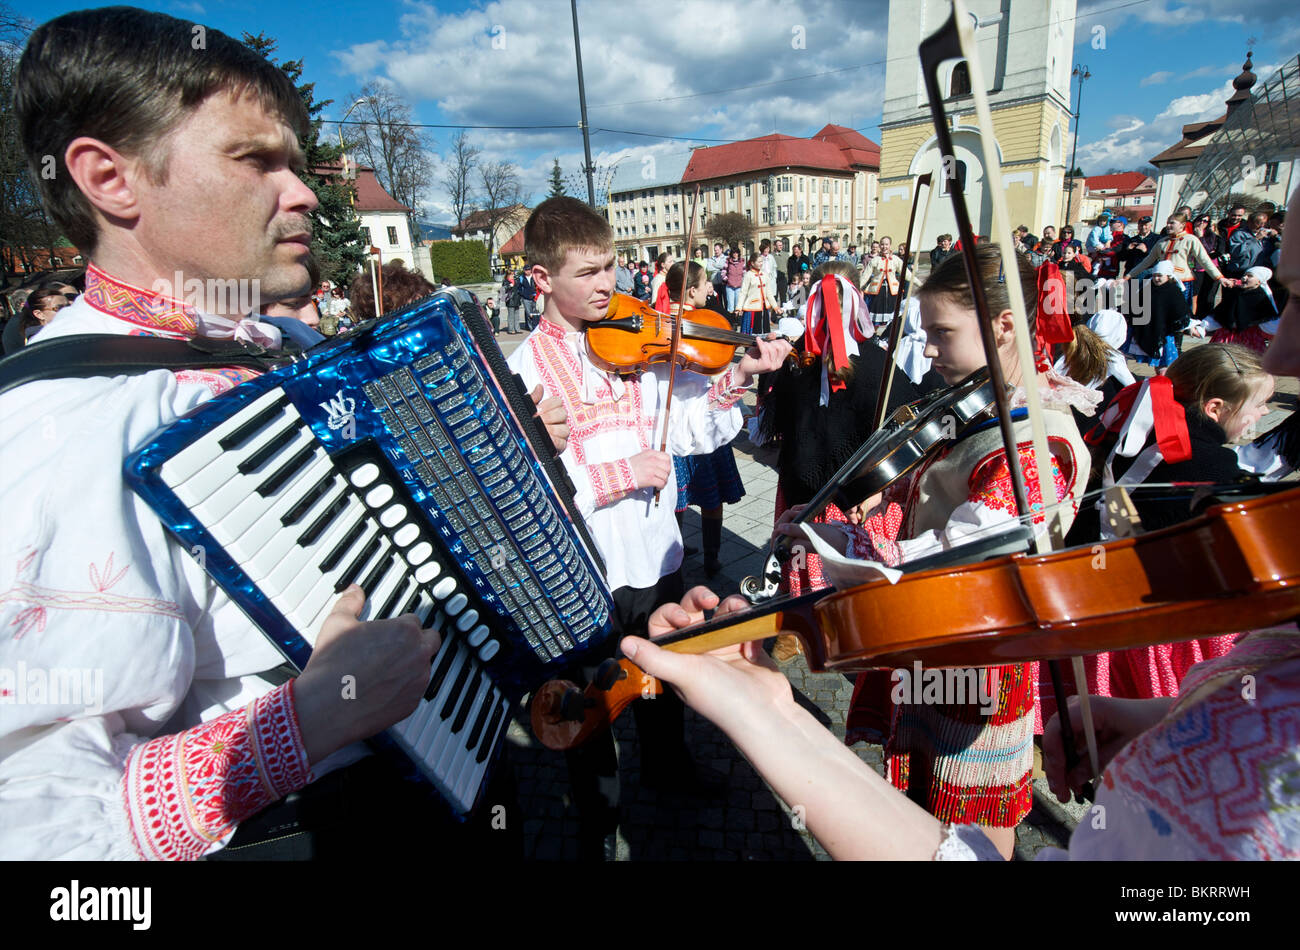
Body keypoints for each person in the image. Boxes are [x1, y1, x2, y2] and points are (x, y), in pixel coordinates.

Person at [0, 7, 450, 861]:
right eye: (256, 160)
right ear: (110, 178)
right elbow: (30, 825)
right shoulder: (53, 435)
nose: (307, 191)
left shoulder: (290, 349)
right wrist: (304, 723)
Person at [503, 196, 790, 859]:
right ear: (541, 279)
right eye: (588, 273)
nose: (609, 285)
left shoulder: (638, 338)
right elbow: (525, 497)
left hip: (657, 553)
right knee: (590, 701)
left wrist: (737, 373)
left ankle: (668, 766)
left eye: (612, 268)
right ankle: (597, 820)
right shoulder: (521, 373)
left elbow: (689, 426)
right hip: (586, 572)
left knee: (665, 673)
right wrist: (621, 473)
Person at [790, 245, 1096, 858]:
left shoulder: (1035, 440)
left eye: (941, 332)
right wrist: (842, 516)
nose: (927, 349)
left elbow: (956, 553)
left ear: (1004, 324)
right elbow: (920, 505)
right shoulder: (978, 410)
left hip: (979, 662)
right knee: (925, 802)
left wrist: (842, 544)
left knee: (973, 814)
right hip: (933, 642)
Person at [662, 261, 747, 577]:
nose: (710, 289)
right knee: (710, 498)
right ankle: (711, 557)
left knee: (677, 499)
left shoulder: (660, 322)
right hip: (706, 417)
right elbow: (721, 373)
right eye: (705, 284)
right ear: (692, 290)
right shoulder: (708, 324)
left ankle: (678, 553)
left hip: (673, 424)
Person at [1128, 211, 1231, 303]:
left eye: (1172, 223)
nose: (1168, 226)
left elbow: (1205, 261)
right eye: (1167, 223)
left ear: (1182, 225)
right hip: (1162, 282)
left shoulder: (1191, 240)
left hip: (1182, 282)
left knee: (1179, 315)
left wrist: (1220, 278)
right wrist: (1128, 276)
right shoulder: (1162, 242)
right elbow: (1146, 262)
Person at [1124, 260, 1191, 374]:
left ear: (1168, 276)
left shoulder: (1173, 291)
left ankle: (1163, 384)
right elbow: (1135, 305)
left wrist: (1181, 326)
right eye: (1154, 275)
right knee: (1123, 355)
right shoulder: (1148, 287)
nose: (1156, 278)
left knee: (1162, 365)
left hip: (1163, 335)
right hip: (1146, 330)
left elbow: (1180, 313)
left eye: (1160, 276)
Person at [1202, 266, 1281, 352]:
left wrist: (1278, 331)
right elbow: (1221, 313)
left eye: (1249, 276)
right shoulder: (1235, 294)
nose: (1244, 278)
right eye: (1244, 275)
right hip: (1227, 335)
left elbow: (1267, 319)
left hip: (1250, 338)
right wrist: (1204, 326)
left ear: (1258, 282)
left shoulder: (1261, 298)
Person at [1, 280, 74, 353]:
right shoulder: (41, 342)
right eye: (59, 308)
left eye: (69, 306)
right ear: (39, 314)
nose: (67, 310)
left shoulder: (69, 328)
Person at [859, 235, 907, 329]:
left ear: (890, 245)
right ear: (880, 246)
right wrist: (856, 287)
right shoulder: (875, 260)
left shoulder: (896, 260)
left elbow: (908, 274)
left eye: (886, 244)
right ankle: (873, 337)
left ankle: (889, 338)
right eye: (882, 244)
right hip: (877, 292)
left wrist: (922, 285)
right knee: (875, 320)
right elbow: (865, 276)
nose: (884, 247)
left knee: (892, 319)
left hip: (892, 291)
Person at [736, 251, 776, 335]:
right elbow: (743, 292)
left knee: (765, 330)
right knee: (754, 332)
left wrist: (775, 306)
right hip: (752, 308)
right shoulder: (748, 275)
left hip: (764, 307)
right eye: (759, 261)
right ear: (753, 263)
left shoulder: (765, 275)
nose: (761, 263)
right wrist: (739, 307)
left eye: (762, 261)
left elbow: (769, 292)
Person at [721, 246, 745, 314]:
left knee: (738, 305)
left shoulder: (742, 262)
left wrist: (742, 282)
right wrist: (727, 280)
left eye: (736, 253)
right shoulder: (728, 261)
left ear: (738, 253)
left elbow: (744, 273)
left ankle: (737, 320)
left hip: (739, 287)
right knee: (730, 305)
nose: (735, 254)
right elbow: (723, 272)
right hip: (730, 287)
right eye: (734, 253)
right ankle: (731, 320)